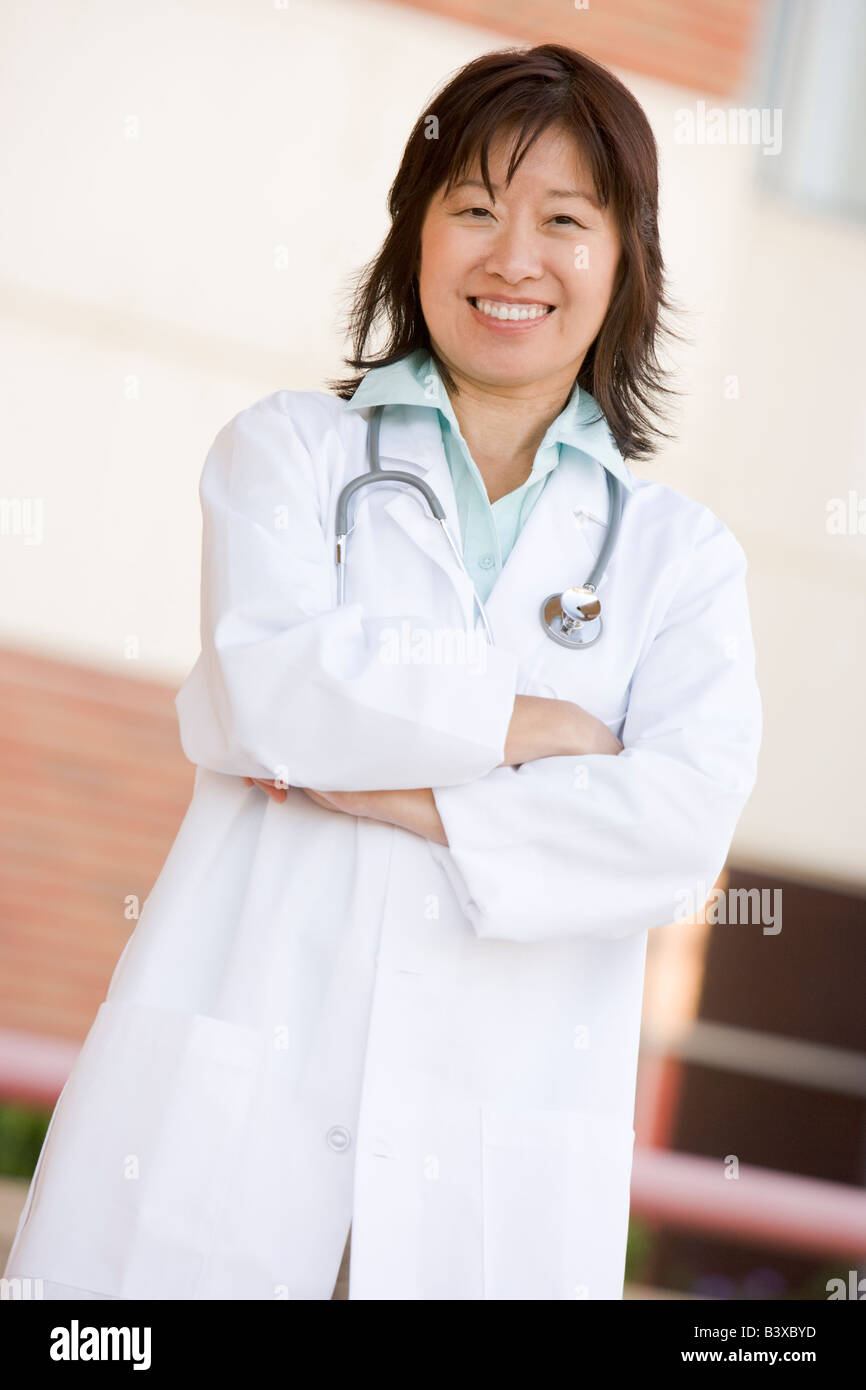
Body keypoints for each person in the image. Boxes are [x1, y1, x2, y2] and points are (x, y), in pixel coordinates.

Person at [4, 42, 761, 1301]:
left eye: (563, 220)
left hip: (486, 1182)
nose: (512, 257)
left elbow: (674, 830)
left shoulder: (680, 562)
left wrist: (396, 790)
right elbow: (270, 693)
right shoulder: (288, 458)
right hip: (224, 1140)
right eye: (472, 209)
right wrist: (537, 727)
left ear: (624, 262)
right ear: (415, 237)